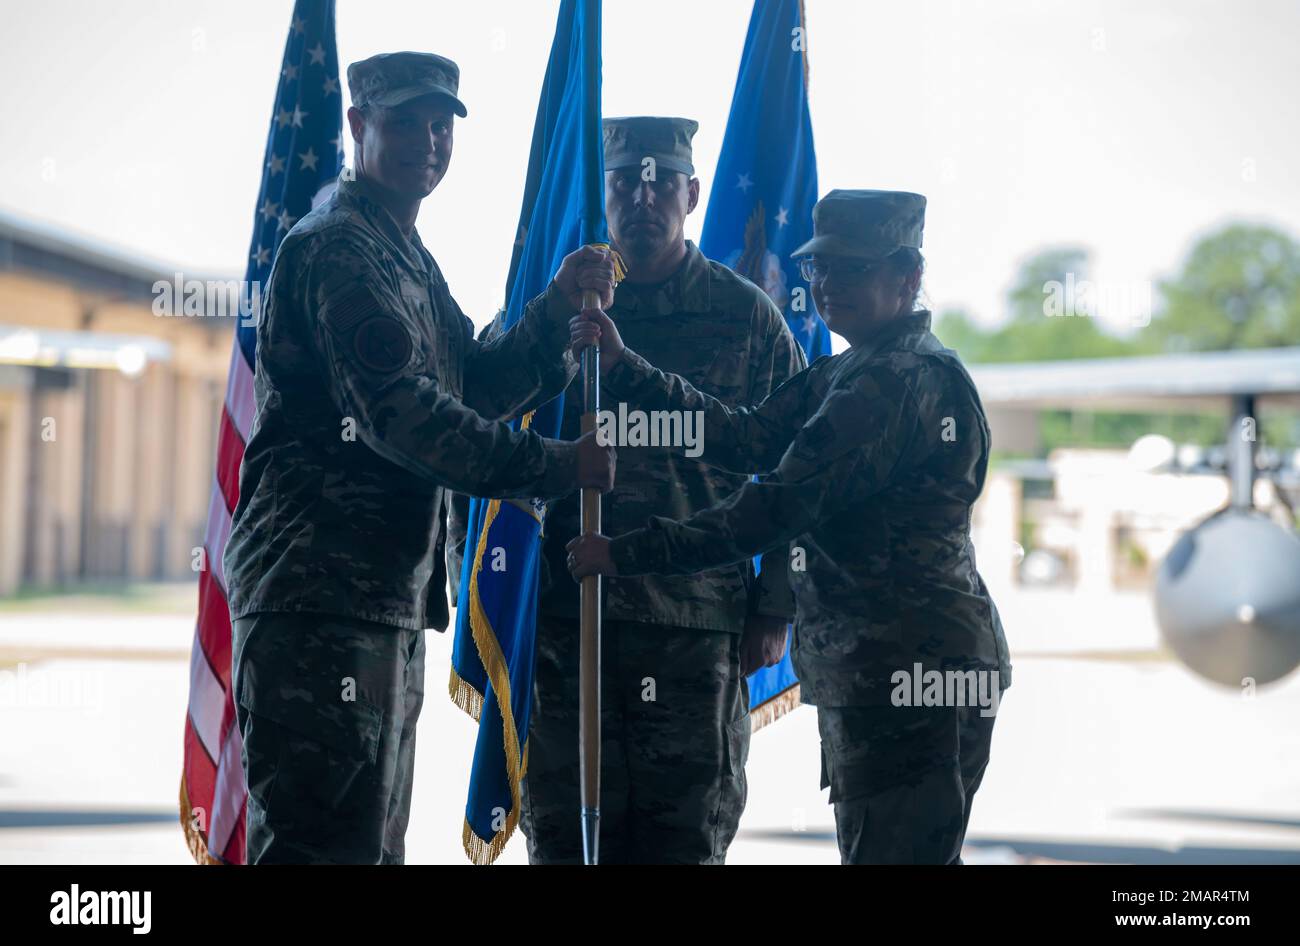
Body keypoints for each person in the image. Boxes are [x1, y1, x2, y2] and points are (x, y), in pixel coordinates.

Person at [224, 51, 616, 864]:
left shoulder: (402, 254)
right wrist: (557, 465)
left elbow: (471, 382)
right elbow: (407, 418)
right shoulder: (339, 251)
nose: (428, 141)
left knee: (366, 849)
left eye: (441, 125)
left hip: (377, 603)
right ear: (357, 126)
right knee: (322, 850)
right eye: (404, 122)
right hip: (318, 601)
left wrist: (552, 311)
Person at [566, 189, 1012, 864]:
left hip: (913, 675)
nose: (829, 285)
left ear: (908, 276)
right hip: (881, 670)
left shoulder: (896, 382)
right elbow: (746, 438)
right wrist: (629, 370)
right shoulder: (852, 370)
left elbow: (772, 508)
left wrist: (624, 554)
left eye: (853, 269)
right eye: (819, 267)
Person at [516, 116, 806, 864]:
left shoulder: (746, 315)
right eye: (624, 182)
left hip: (693, 624)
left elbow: (795, 466)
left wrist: (776, 602)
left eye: (662, 183)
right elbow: (487, 430)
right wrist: (488, 582)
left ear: (693, 193)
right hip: (570, 621)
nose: (643, 199)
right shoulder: (561, 305)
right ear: (603, 194)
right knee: (567, 837)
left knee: (684, 837)